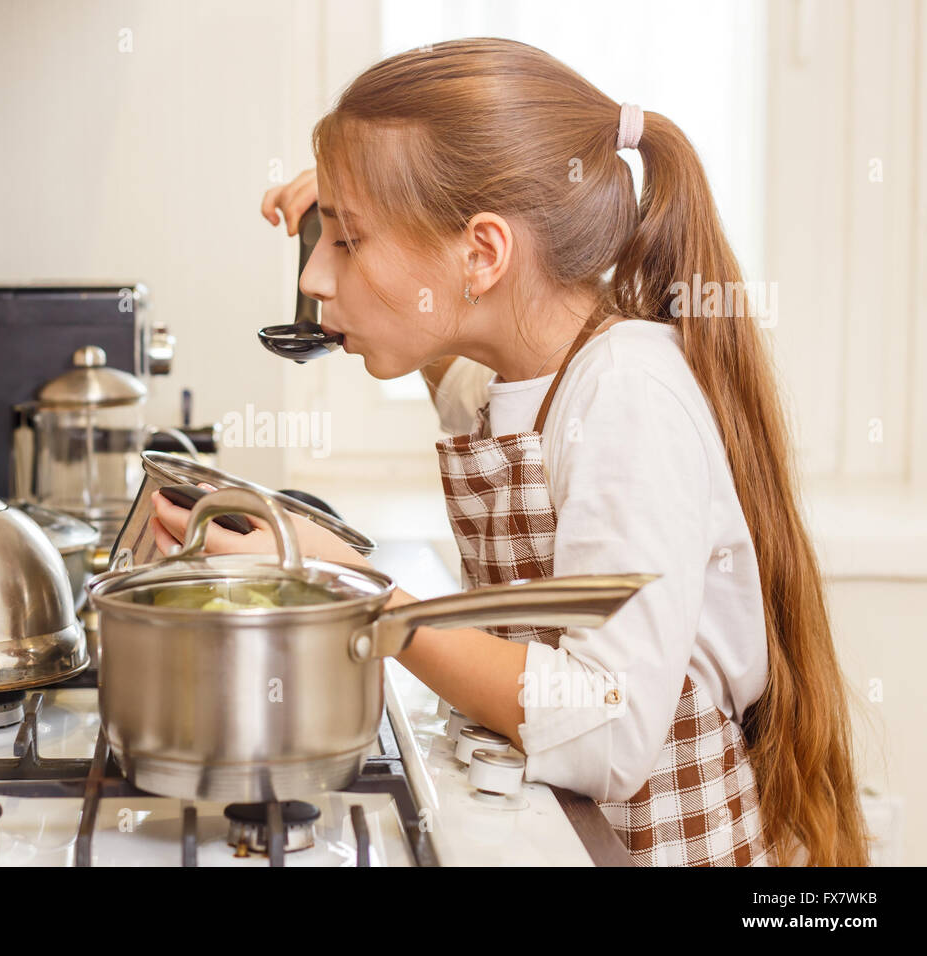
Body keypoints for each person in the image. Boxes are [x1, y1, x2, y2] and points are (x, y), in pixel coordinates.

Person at [150, 38, 868, 867]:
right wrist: (361, 212)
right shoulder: (517, 379)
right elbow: (437, 336)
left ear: (483, 255)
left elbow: (608, 729)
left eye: (343, 243)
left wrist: (357, 596)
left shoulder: (625, 395)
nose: (314, 278)